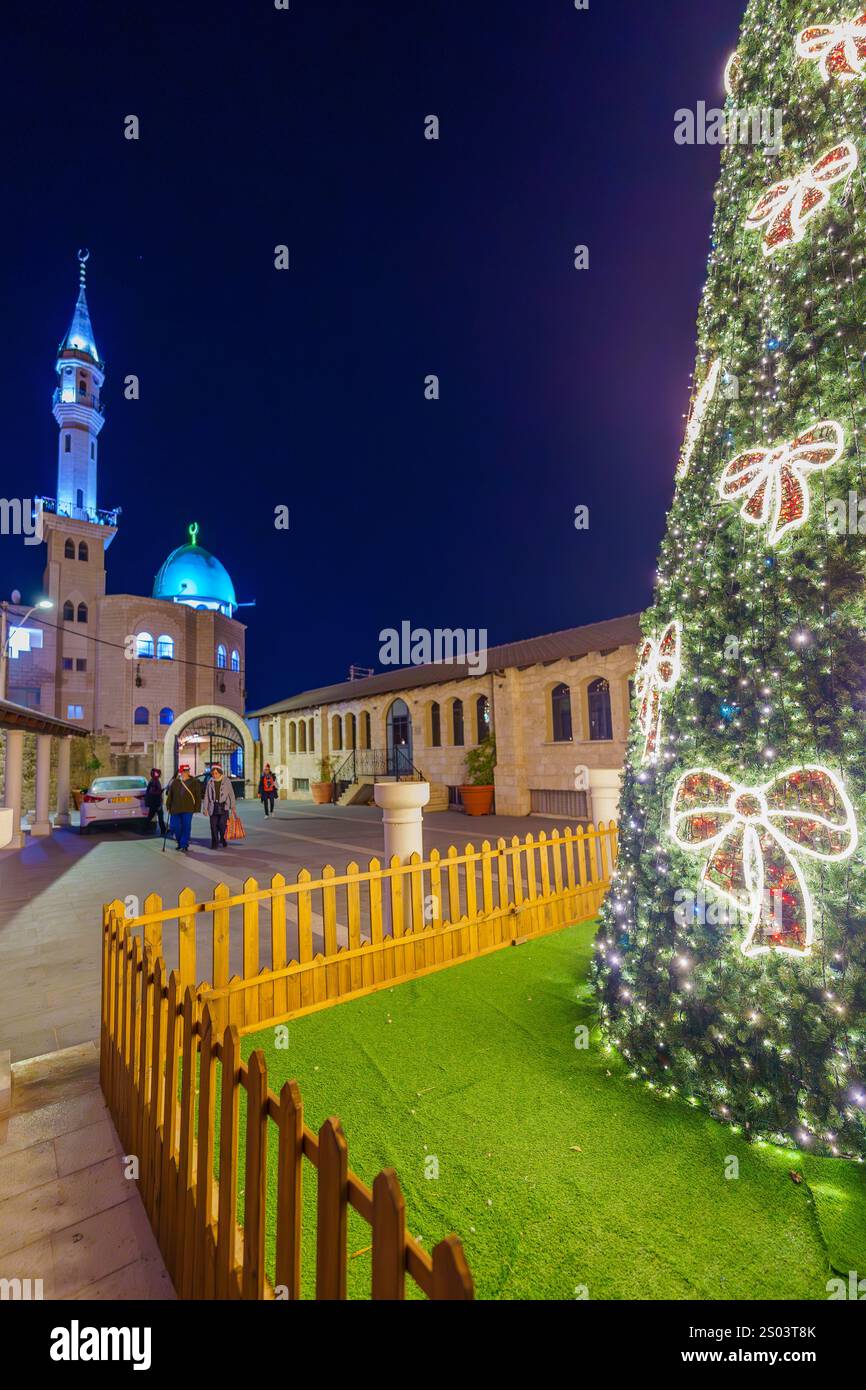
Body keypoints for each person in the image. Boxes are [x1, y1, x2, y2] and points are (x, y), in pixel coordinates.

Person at [165, 764, 203, 852]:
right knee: (174, 827)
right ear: (180, 772)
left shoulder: (194, 782)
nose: (186, 773)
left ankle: (184, 844)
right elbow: (170, 795)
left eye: (187, 771)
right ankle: (180, 842)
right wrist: (168, 805)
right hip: (175, 808)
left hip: (188, 808)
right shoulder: (175, 782)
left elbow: (198, 796)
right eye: (184, 771)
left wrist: (197, 808)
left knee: (186, 827)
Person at [203, 764, 236, 848]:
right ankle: (215, 843)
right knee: (213, 826)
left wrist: (233, 807)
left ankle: (223, 838)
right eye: (213, 773)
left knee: (222, 825)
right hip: (213, 806)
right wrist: (205, 808)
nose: (215, 775)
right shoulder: (210, 782)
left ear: (220, 773)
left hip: (223, 806)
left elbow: (231, 794)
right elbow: (206, 796)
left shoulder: (226, 781)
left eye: (216, 773)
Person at [144, 768, 166, 836]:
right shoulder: (154, 781)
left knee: (151, 816)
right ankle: (163, 830)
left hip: (154, 802)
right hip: (156, 803)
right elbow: (152, 792)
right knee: (160, 817)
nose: (158, 774)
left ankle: (145, 829)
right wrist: (161, 791)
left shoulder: (154, 780)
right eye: (157, 773)